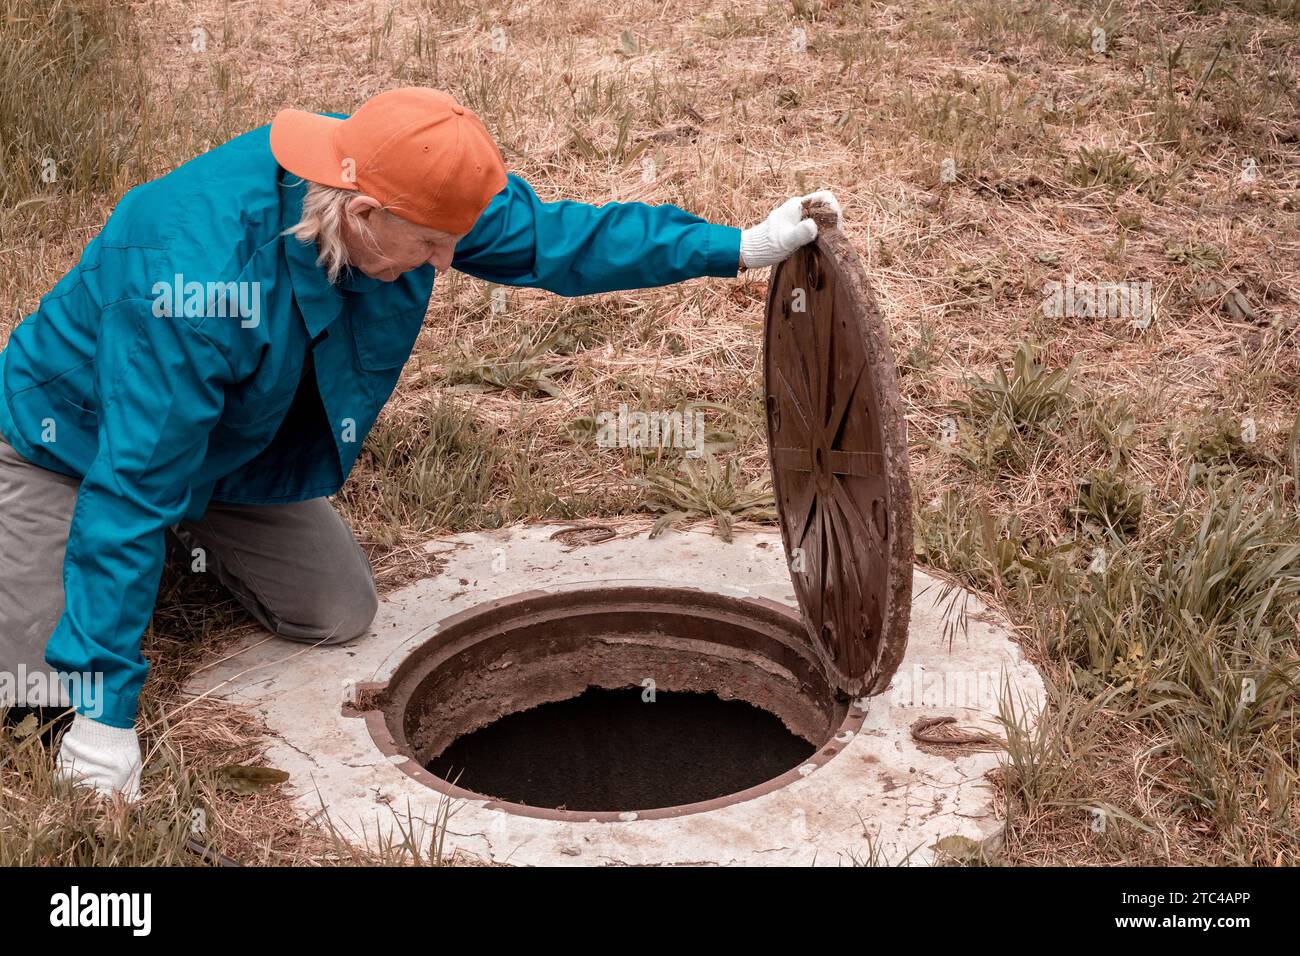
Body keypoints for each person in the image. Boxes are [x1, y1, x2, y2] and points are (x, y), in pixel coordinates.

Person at [0, 86, 841, 801]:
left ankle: (190, 535)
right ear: (362, 216)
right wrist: (107, 718)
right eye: (434, 248)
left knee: (336, 613)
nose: (449, 263)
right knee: (38, 698)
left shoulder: (407, 176)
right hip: (69, 444)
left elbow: (560, 241)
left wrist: (735, 247)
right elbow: (134, 481)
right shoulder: (193, 274)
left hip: (226, 452)